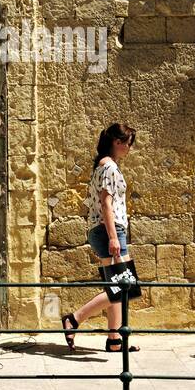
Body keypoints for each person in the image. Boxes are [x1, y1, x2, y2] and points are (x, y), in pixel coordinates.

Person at [62, 122, 141, 353]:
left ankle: (115, 339)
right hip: (110, 230)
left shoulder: (103, 166)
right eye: (128, 144)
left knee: (117, 285)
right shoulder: (110, 168)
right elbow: (106, 204)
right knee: (124, 286)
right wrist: (113, 237)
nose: (129, 148)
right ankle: (74, 319)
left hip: (104, 230)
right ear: (117, 143)